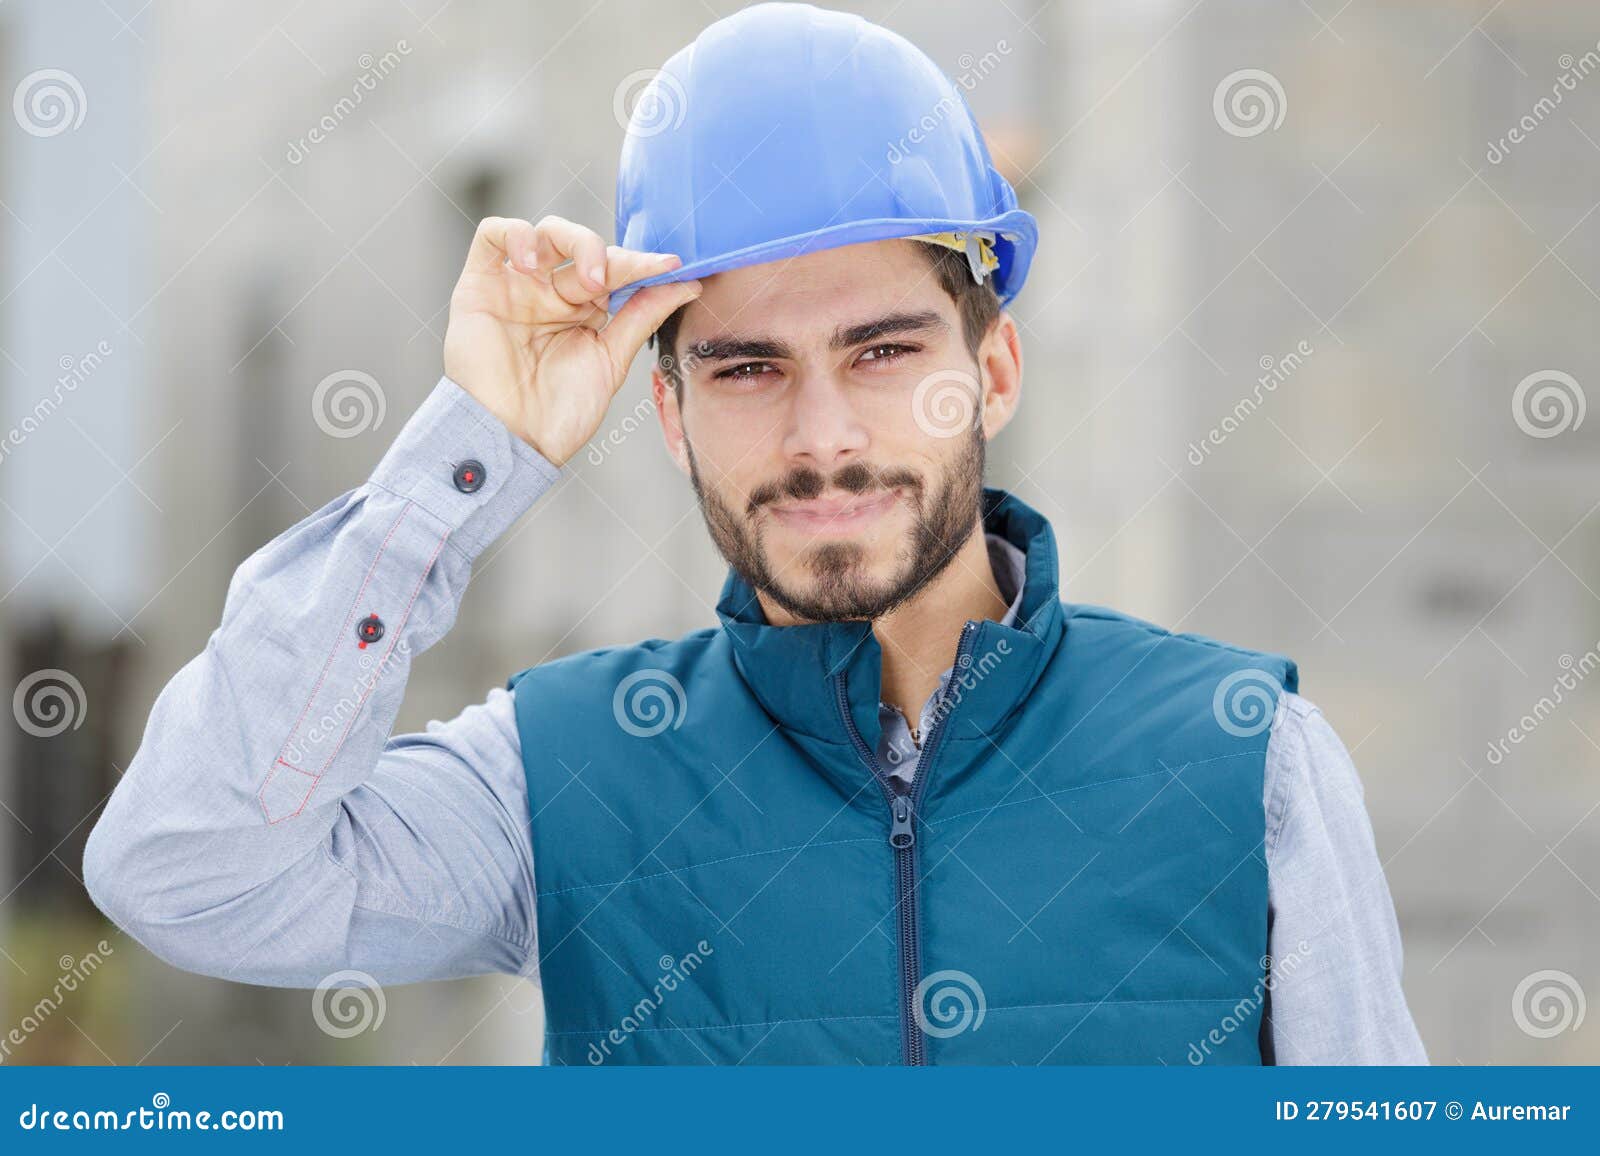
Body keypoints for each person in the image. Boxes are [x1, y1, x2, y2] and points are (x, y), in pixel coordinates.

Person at [83, 2, 1426, 1065]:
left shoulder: (1243, 758)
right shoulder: (563, 776)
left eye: (883, 349)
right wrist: (465, 456)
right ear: (666, 413)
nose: (820, 436)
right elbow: (186, 872)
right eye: (745, 368)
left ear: (995, 369)